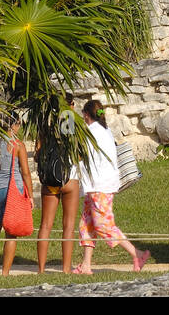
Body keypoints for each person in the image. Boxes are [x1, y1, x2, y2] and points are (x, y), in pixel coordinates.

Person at [75, 99, 149, 274]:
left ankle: (136, 253)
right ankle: (86, 264)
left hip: (100, 185)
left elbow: (80, 155)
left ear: (86, 114)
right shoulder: (105, 130)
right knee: (87, 224)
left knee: (103, 225)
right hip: (97, 185)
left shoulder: (91, 132)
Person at [0, 115, 33, 276]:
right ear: (13, 126)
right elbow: (25, 173)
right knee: (11, 233)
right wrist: (29, 195)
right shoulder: (18, 145)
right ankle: (5, 273)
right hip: (13, 191)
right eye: (19, 124)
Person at [35, 113, 80, 274]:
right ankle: (66, 269)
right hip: (70, 179)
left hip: (50, 180)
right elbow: (79, 155)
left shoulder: (44, 126)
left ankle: (41, 269)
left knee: (45, 225)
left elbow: (37, 154)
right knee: (68, 226)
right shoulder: (72, 123)